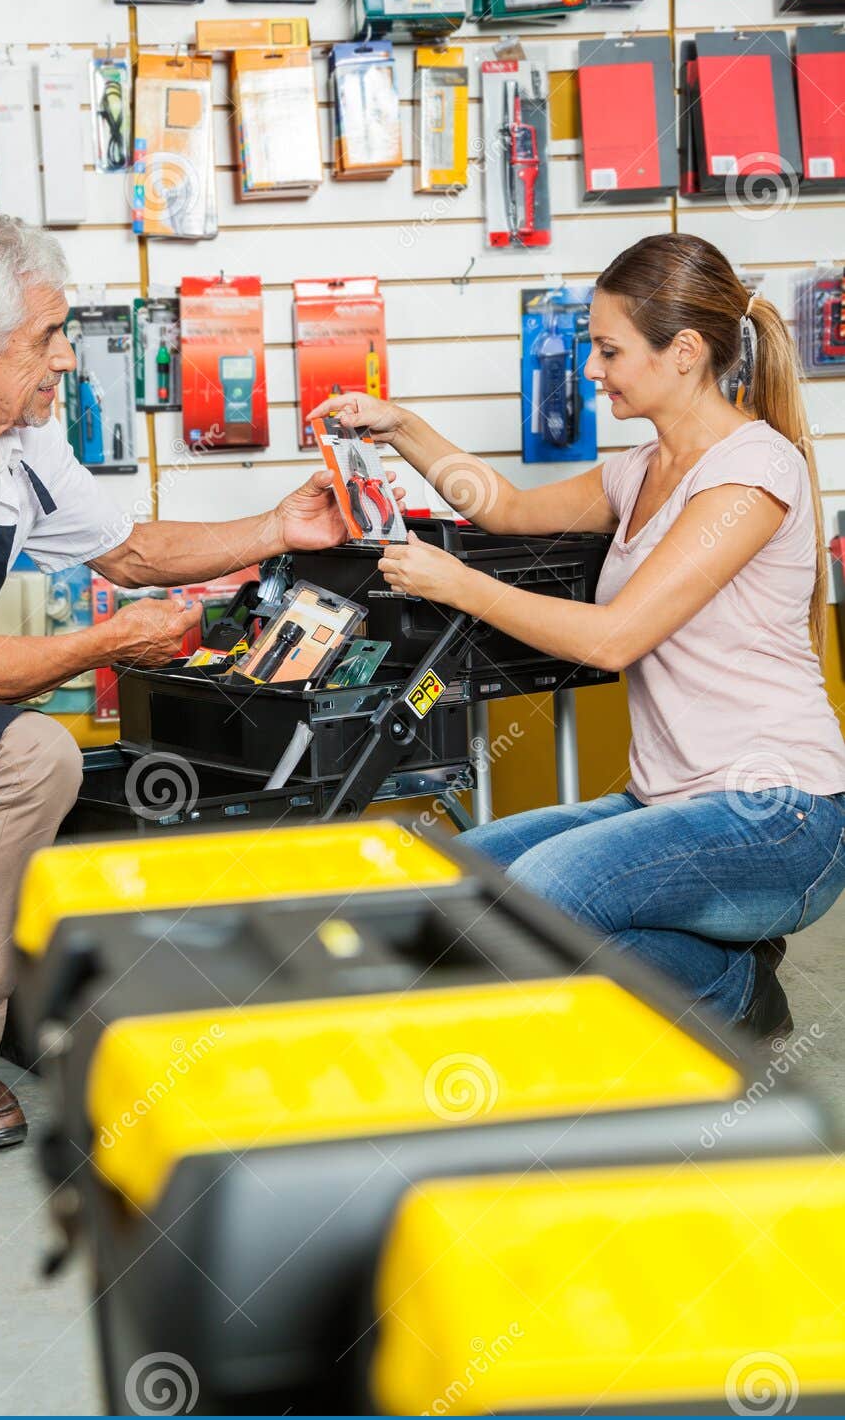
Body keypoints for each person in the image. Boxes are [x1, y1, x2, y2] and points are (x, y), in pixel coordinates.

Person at [0, 208, 358, 1151]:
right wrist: (101, 648)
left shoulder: (14, 430)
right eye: (49, 335)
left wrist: (276, 529)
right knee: (33, 757)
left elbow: (128, 553)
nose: (65, 359)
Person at [312, 232, 845, 1044]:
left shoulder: (750, 474)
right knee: (455, 876)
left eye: (607, 349)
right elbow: (502, 508)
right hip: (666, 800)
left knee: (544, 893)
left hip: (779, 817)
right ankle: (720, 954)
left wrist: (458, 584)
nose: (590, 369)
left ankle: (733, 990)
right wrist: (401, 426)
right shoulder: (638, 471)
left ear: (685, 353)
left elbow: (614, 639)